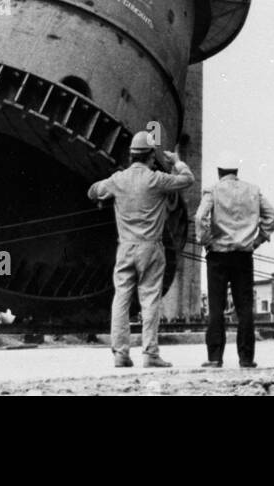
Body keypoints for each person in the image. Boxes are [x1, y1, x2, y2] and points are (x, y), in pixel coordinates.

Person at [88, 131, 193, 369]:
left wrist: (103, 196)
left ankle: (120, 354)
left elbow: (93, 191)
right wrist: (176, 162)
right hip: (151, 248)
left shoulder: (118, 180)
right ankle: (150, 354)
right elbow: (188, 179)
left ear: (131, 155)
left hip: (124, 247)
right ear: (150, 157)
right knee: (149, 300)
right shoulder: (156, 179)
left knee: (121, 299)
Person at [195, 151, 274, 369]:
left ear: (219, 172)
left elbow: (200, 217)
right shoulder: (253, 190)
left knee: (216, 308)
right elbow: (273, 216)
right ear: (236, 171)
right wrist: (258, 239)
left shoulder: (212, 190)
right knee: (244, 309)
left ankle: (214, 358)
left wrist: (205, 239)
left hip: (218, 256)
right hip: (243, 256)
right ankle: (246, 358)